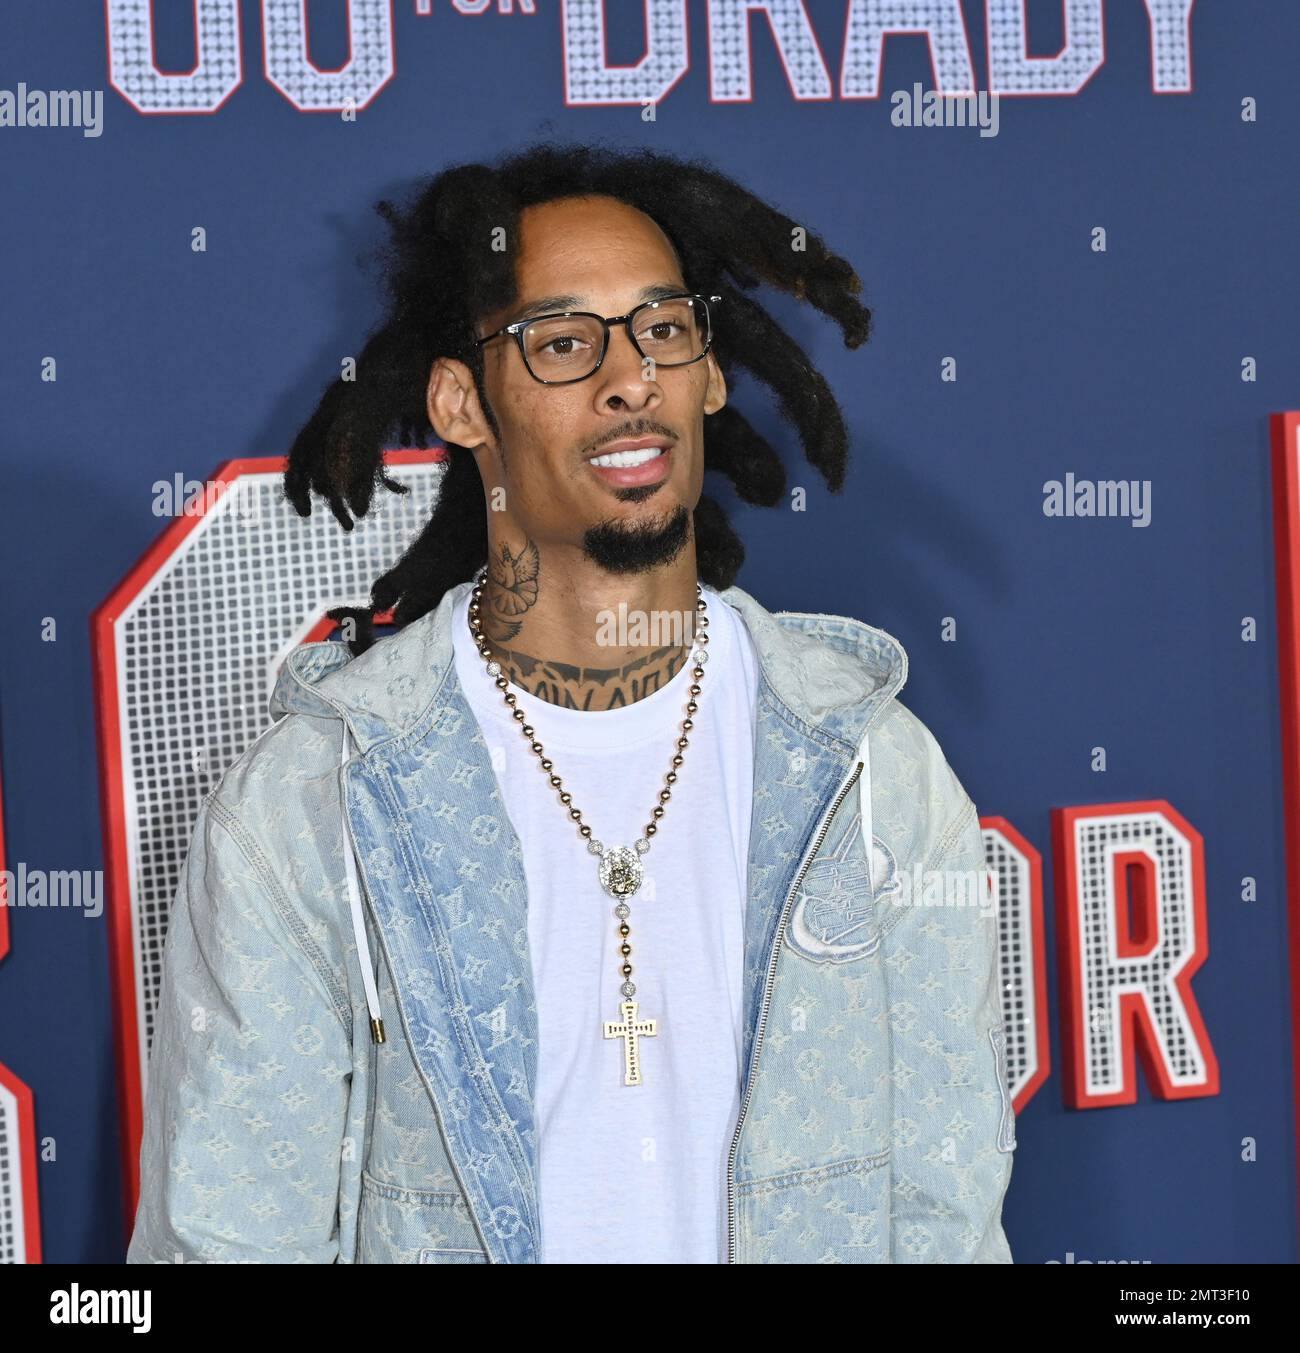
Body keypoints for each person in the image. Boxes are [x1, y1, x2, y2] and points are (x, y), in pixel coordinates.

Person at [127, 142, 1016, 1265]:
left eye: (661, 329)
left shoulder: (869, 769)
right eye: (560, 343)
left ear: (706, 374)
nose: (627, 378)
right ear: (462, 401)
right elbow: (227, 1240)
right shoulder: (315, 804)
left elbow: (947, 1215)